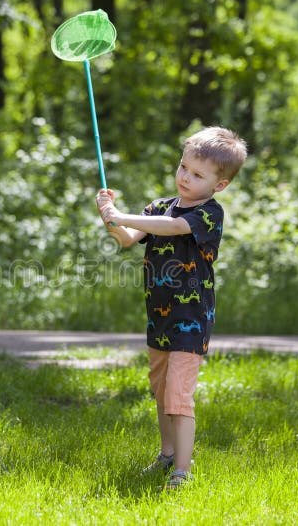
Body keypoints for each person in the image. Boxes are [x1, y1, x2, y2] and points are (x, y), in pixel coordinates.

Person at [95, 126, 247, 489]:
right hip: (159, 318)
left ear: (219, 184)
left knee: (179, 396)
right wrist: (108, 215)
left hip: (190, 320)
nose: (185, 178)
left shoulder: (210, 213)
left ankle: (182, 471)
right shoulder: (158, 207)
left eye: (197, 175)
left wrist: (124, 215)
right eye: (183, 168)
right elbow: (128, 239)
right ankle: (166, 456)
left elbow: (174, 227)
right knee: (162, 393)